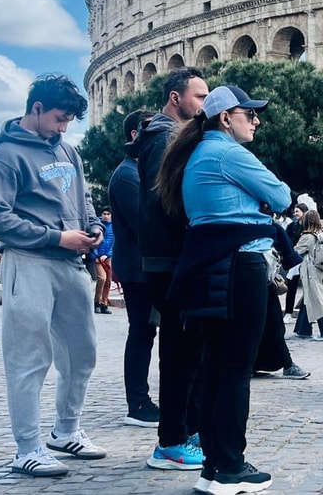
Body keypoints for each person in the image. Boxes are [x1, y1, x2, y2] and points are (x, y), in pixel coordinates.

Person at [156, 84, 293, 494]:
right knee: (235, 372)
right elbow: (282, 196)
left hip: (209, 270)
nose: (255, 120)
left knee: (216, 368)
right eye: (247, 113)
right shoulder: (229, 153)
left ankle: (214, 464)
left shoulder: (197, 155)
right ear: (224, 117)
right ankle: (231, 467)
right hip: (241, 267)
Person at [0, 74, 107, 477]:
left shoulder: (69, 151)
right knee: (29, 357)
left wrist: (92, 228)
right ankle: (27, 447)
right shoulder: (6, 157)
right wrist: (56, 237)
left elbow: (83, 198)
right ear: (35, 109)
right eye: (58, 117)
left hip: (71, 263)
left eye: (69, 119)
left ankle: (65, 431)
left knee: (81, 352)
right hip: (29, 261)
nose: (64, 126)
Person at [128, 67, 209, 471]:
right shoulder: (164, 137)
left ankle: (187, 431)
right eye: (199, 96)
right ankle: (172, 441)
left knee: (188, 349)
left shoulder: (168, 134)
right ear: (175, 98)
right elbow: (169, 199)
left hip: (172, 258)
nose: (204, 104)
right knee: (179, 351)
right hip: (171, 260)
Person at [109, 109, 160, 428]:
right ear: (135, 135)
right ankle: (137, 402)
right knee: (141, 332)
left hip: (142, 266)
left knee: (145, 332)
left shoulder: (135, 172)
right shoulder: (127, 176)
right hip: (138, 268)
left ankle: (141, 399)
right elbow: (145, 224)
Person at [292, 210, 323, 341]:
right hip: (321, 270)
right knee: (309, 298)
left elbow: (295, 251)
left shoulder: (307, 237)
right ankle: (303, 329)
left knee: (316, 299)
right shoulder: (321, 234)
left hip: (311, 272)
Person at [283, 203, 307, 323]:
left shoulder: (308, 226)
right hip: (294, 259)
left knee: (308, 288)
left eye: (297, 211)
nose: (295, 214)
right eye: (295, 212)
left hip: (305, 258)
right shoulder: (292, 226)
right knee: (291, 286)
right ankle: (288, 312)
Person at [90, 207, 115, 314]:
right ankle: (97, 302)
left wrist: (107, 255)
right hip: (97, 257)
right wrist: (95, 255)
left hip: (108, 257)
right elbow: (93, 241)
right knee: (102, 278)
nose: (106, 215)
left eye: (108, 214)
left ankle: (104, 304)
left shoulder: (114, 226)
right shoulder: (98, 226)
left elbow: (114, 243)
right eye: (104, 213)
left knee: (108, 281)